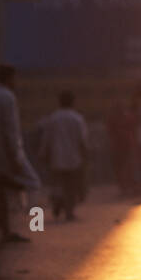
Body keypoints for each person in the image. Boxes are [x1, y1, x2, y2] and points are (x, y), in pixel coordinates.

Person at [0, 64, 41, 243]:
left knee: (3, 193)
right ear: (9, 78)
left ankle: (4, 229)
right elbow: (11, 129)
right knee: (33, 183)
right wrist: (15, 155)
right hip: (8, 153)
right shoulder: (7, 97)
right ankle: (32, 224)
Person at [37, 90, 89, 221]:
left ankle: (58, 201)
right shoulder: (77, 118)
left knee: (58, 183)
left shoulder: (52, 118)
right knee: (71, 185)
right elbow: (82, 140)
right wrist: (86, 155)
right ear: (73, 102)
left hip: (56, 156)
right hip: (73, 157)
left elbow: (46, 138)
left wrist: (43, 153)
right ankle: (69, 212)